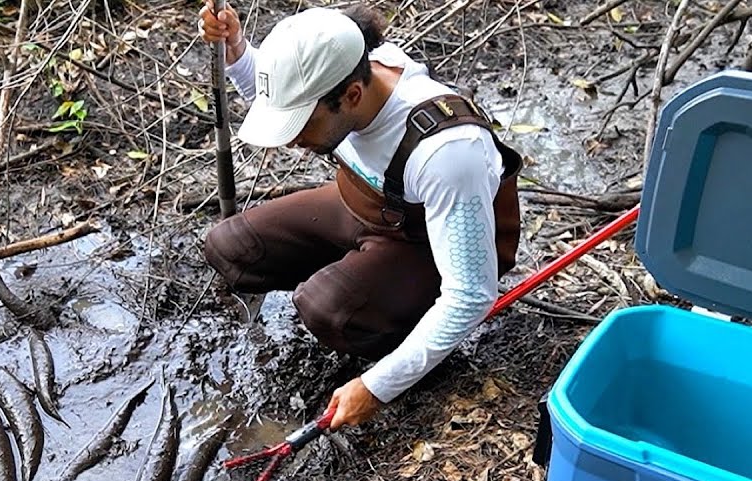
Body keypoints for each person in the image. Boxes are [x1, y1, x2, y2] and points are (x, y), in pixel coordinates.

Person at [198, 2, 523, 431]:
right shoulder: (348, 73)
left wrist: (378, 385)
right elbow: (285, 102)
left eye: (301, 125)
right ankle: (365, 281)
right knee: (232, 247)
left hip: (425, 243)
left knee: (326, 310)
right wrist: (238, 47)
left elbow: (470, 295)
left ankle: (404, 339)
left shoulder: (447, 151)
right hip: (367, 205)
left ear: (352, 95)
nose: (291, 139)